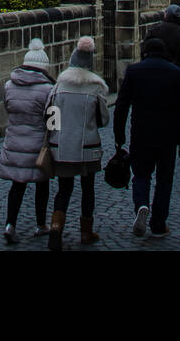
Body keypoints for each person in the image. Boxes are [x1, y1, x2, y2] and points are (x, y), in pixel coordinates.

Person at [113, 36, 180, 238]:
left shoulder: (134, 71)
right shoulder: (177, 73)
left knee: (141, 174)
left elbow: (121, 105)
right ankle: (158, 223)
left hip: (141, 133)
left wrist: (119, 135)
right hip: (168, 135)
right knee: (164, 179)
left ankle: (141, 205)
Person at [46, 36, 110, 250]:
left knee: (64, 189)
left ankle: (55, 227)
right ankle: (86, 232)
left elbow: (50, 117)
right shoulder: (96, 87)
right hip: (88, 146)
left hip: (62, 145)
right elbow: (103, 119)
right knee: (88, 189)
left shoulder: (59, 85)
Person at [0, 37, 54, 242]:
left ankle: (10, 224)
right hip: (38, 144)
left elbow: (8, 109)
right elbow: (54, 122)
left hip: (14, 141)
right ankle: (41, 224)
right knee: (42, 184)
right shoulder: (49, 90)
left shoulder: (9, 86)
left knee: (17, 185)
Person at [142, 3, 180, 76]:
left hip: (155, 71)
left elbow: (144, 49)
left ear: (166, 15)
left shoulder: (155, 29)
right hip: (176, 72)